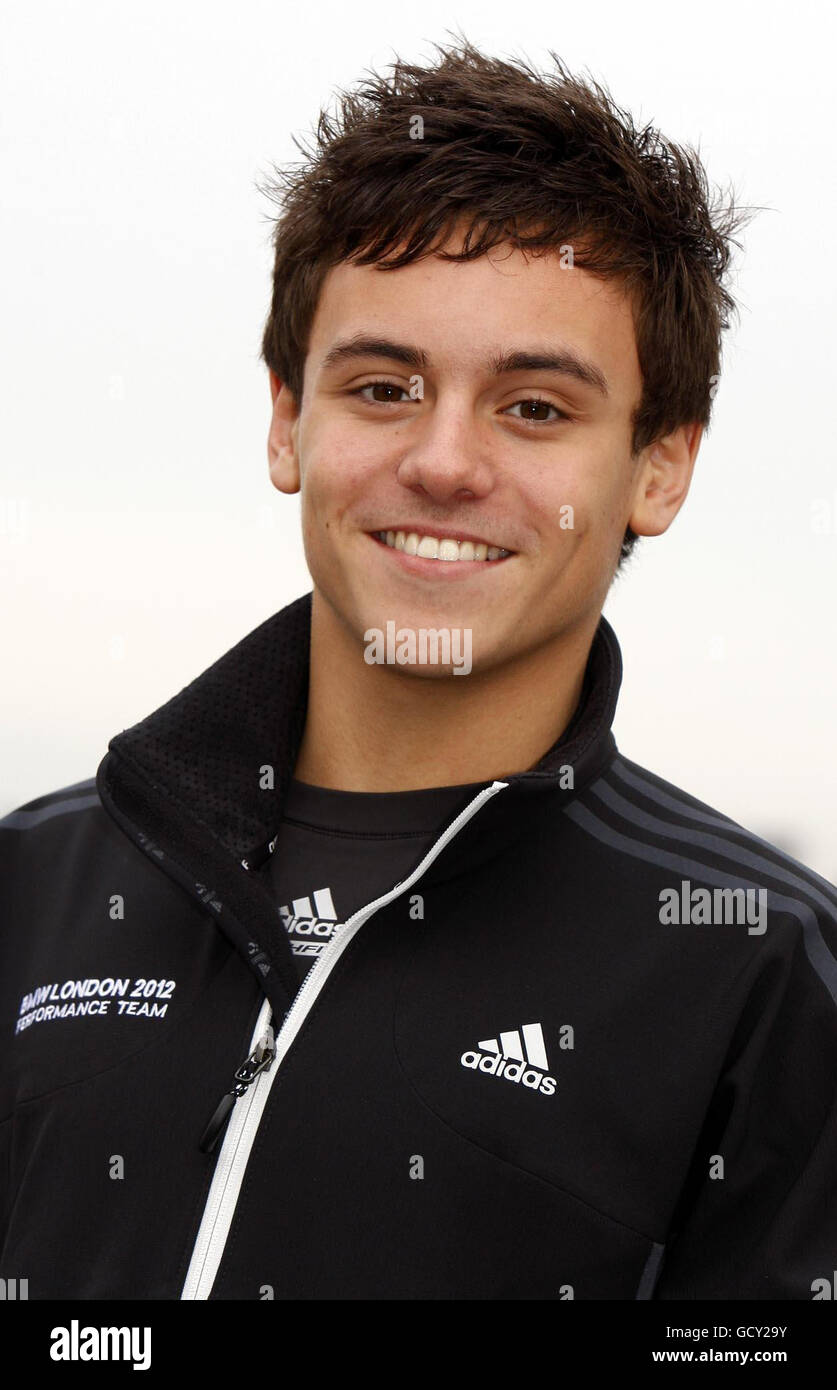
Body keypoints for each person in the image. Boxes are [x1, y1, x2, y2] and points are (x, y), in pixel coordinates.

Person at [2, 37, 836, 1302]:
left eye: (536, 407)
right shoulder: (31, 886)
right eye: (385, 386)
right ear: (289, 420)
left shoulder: (768, 974)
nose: (444, 462)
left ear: (659, 467)